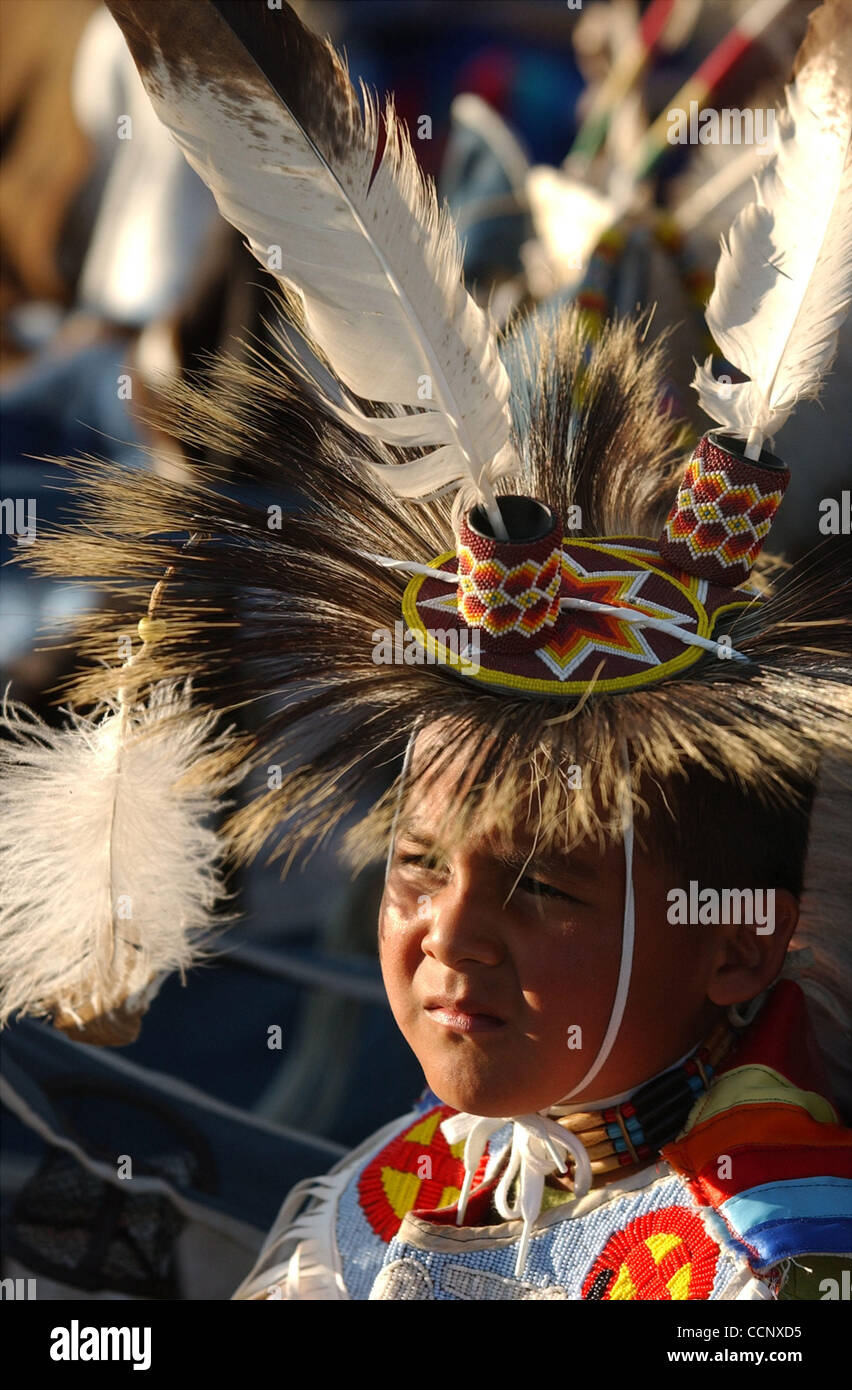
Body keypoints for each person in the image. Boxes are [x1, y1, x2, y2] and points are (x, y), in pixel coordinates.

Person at [1, 0, 850, 1301]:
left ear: (733, 944)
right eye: (416, 866)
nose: (451, 934)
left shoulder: (771, 1259)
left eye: (544, 890)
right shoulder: (400, 1186)